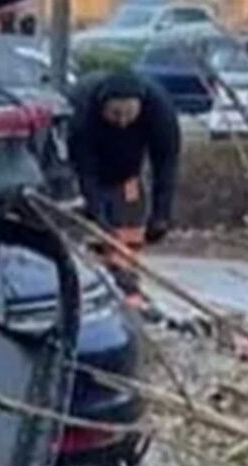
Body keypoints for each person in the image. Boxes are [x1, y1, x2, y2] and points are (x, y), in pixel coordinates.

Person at [67, 65, 181, 294]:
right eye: (115, 114)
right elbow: (84, 167)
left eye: (129, 114)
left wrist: (162, 213)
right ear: (102, 107)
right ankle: (95, 287)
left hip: (128, 173)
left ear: (140, 106)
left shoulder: (160, 110)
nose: (122, 122)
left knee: (127, 233)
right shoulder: (84, 109)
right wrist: (95, 209)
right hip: (93, 171)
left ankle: (128, 289)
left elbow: (166, 162)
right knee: (96, 236)